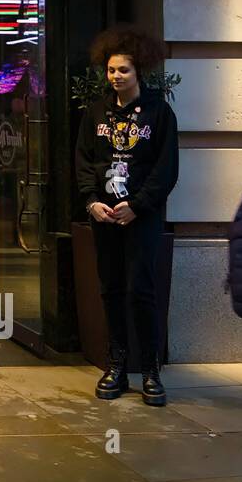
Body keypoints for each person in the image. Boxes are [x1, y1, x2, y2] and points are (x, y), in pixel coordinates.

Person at [75, 25, 179, 406]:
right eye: (111, 70)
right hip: (103, 217)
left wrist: (138, 205)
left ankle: (149, 370)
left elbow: (166, 168)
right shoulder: (95, 112)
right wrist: (90, 200)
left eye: (124, 70)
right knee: (111, 289)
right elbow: (84, 160)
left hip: (142, 217)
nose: (116, 76)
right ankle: (116, 365)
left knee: (142, 290)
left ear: (139, 72)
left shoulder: (159, 112)